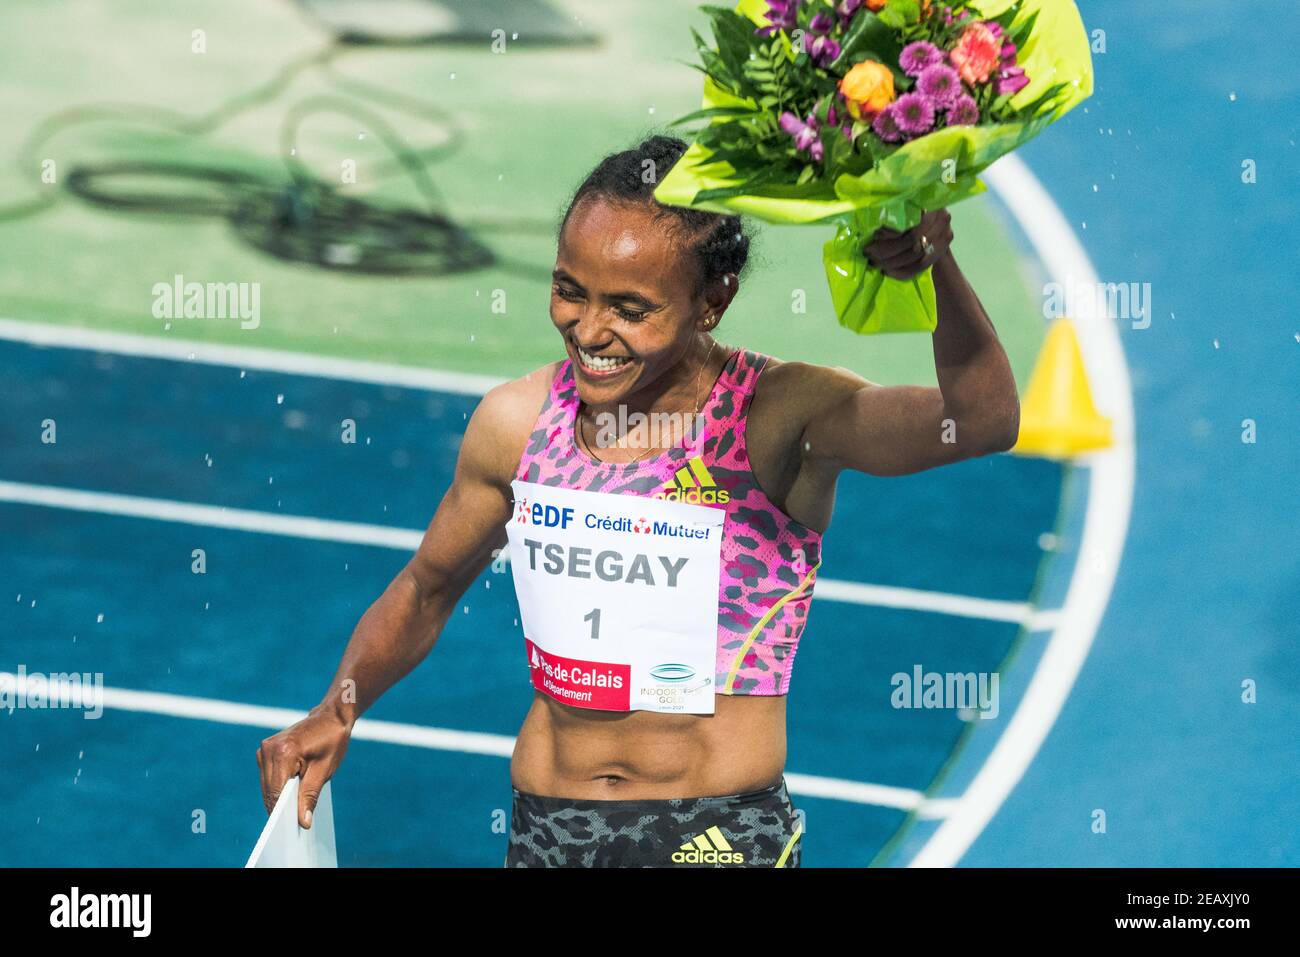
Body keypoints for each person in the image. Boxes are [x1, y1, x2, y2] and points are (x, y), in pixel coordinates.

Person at [256, 134, 1020, 868]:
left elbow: (982, 420)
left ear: (711, 301)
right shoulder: (517, 424)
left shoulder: (778, 418)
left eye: (629, 308)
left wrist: (936, 260)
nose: (590, 329)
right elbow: (428, 586)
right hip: (549, 830)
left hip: (715, 832)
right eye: (568, 291)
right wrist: (338, 707)